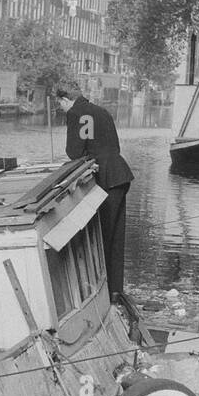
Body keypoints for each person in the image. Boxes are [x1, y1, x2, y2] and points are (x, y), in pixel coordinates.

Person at [56, 80, 133, 297]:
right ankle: (115, 290)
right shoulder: (102, 111)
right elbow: (113, 146)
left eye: (60, 104)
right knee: (116, 237)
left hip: (105, 179)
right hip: (119, 174)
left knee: (101, 237)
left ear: (65, 99)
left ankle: (102, 292)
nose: (61, 109)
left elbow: (74, 152)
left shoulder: (75, 113)